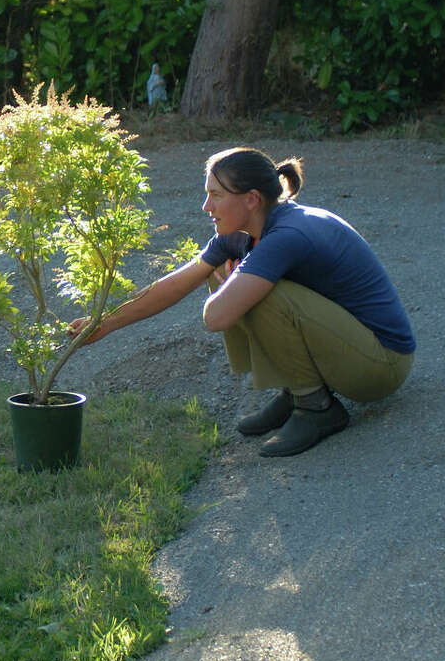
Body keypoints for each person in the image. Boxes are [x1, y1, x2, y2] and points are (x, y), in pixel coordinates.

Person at [72, 146, 415, 457]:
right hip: (348, 348)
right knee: (229, 278)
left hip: (380, 365)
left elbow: (215, 317)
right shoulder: (246, 231)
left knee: (260, 294)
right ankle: (296, 391)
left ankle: (316, 407)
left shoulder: (286, 235)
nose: (206, 207)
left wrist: (233, 280)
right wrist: (106, 322)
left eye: (216, 195)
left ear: (252, 199)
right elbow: (176, 284)